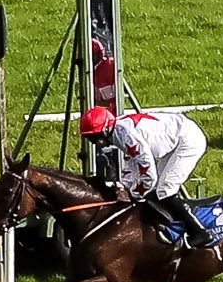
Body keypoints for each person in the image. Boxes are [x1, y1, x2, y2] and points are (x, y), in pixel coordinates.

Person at [80, 105, 213, 246]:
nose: (93, 142)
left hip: (188, 141)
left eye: (93, 137)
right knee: (157, 191)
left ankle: (199, 232)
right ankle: (172, 226)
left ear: (105, 129)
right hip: (177, 139)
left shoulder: (124, 134)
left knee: (165, 190)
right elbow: (133, 161)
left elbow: (148, 171)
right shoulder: (117, 131)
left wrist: (134, 193)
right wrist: (124, 184)